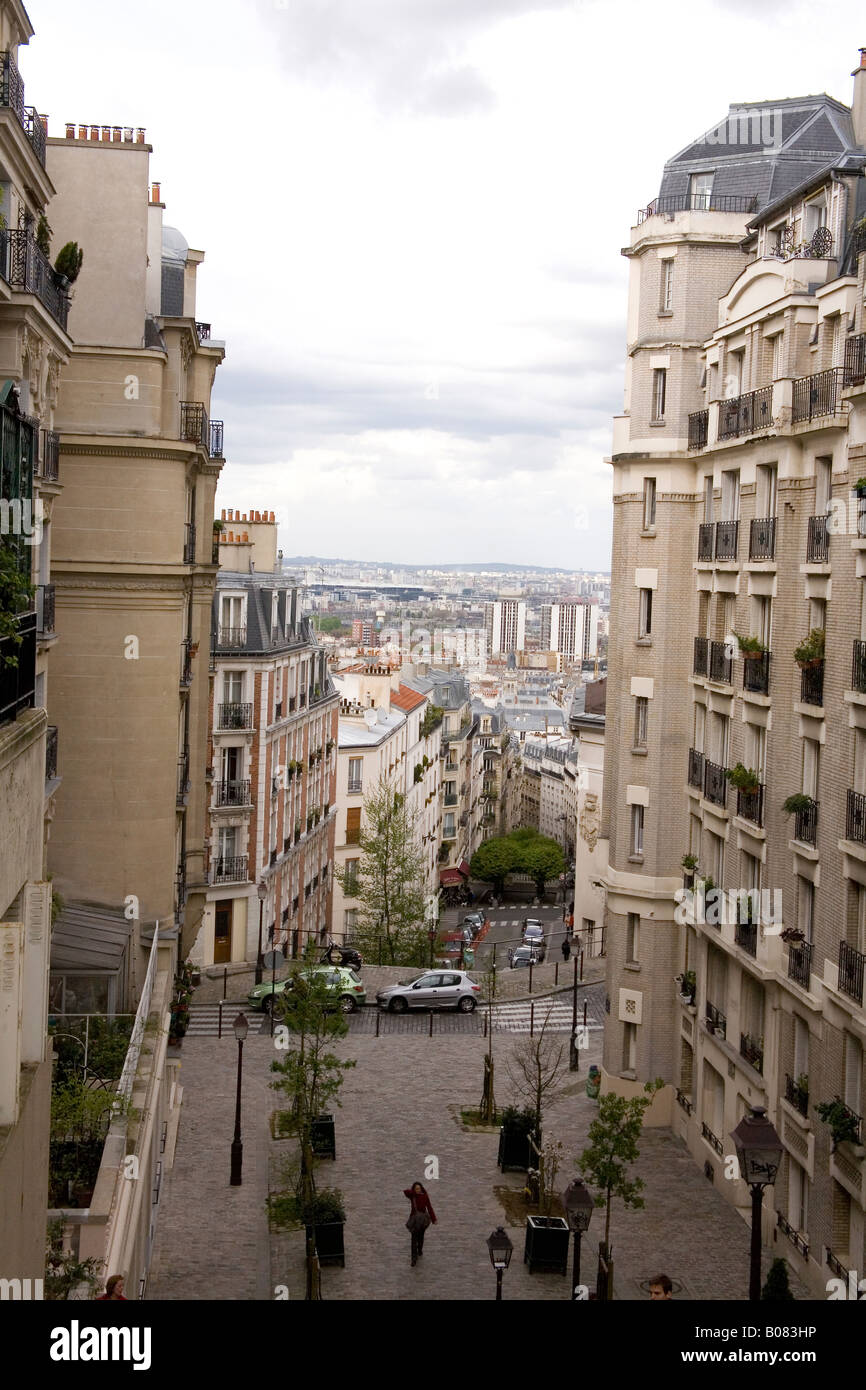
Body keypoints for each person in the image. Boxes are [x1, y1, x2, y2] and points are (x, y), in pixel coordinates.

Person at [404, 1181, 437, 1265]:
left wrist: (434, 1219)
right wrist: (413, 1192)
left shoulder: (425, 1196)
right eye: (416, 1189)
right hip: (414, 1220)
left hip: (422, 1220)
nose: (418, 1190)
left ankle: (420, 1249)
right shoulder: (412, 1196)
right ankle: (413, 1259)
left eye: (419, 1188)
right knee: (413, 1239)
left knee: (421, 1236)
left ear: (421, 1188)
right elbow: (405, 1192)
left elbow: (429, 1208)